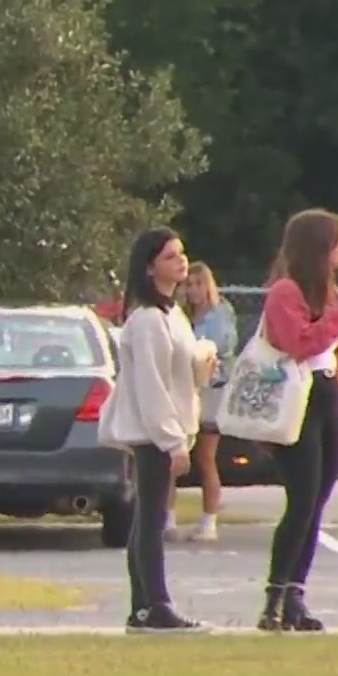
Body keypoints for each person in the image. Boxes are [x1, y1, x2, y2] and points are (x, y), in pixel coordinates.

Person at [255, 208, 338, 632]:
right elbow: (299, 342)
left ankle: (296, 595)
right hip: (295, 400)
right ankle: (274, 596)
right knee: (301, 499)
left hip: (325, 395)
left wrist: (337, 373)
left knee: (317, 501)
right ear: (320, 247)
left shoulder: (333, 293)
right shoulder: (285, 292)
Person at [96, 227, 208, 633]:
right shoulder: (146, 320)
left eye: (182, 253)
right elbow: (151, 386)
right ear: (149, 268)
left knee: (149, 514)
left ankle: (143, 607)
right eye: (169, 256)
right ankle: (156, 604)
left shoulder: (172, 314)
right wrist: (172, 441)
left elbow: (181, 372)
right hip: (153, 434)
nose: (181, 261)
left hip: (171, 428)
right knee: (151, 518)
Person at [167, 261, 239, 542]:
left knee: (205, 458)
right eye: (189, 284)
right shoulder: (180, 315)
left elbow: (221, 348)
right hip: (183, 391)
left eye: (199, 284)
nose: (194, 290)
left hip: (211, 392)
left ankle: (209, 522)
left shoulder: (220, 314)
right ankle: (167, 519)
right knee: (172, 455)